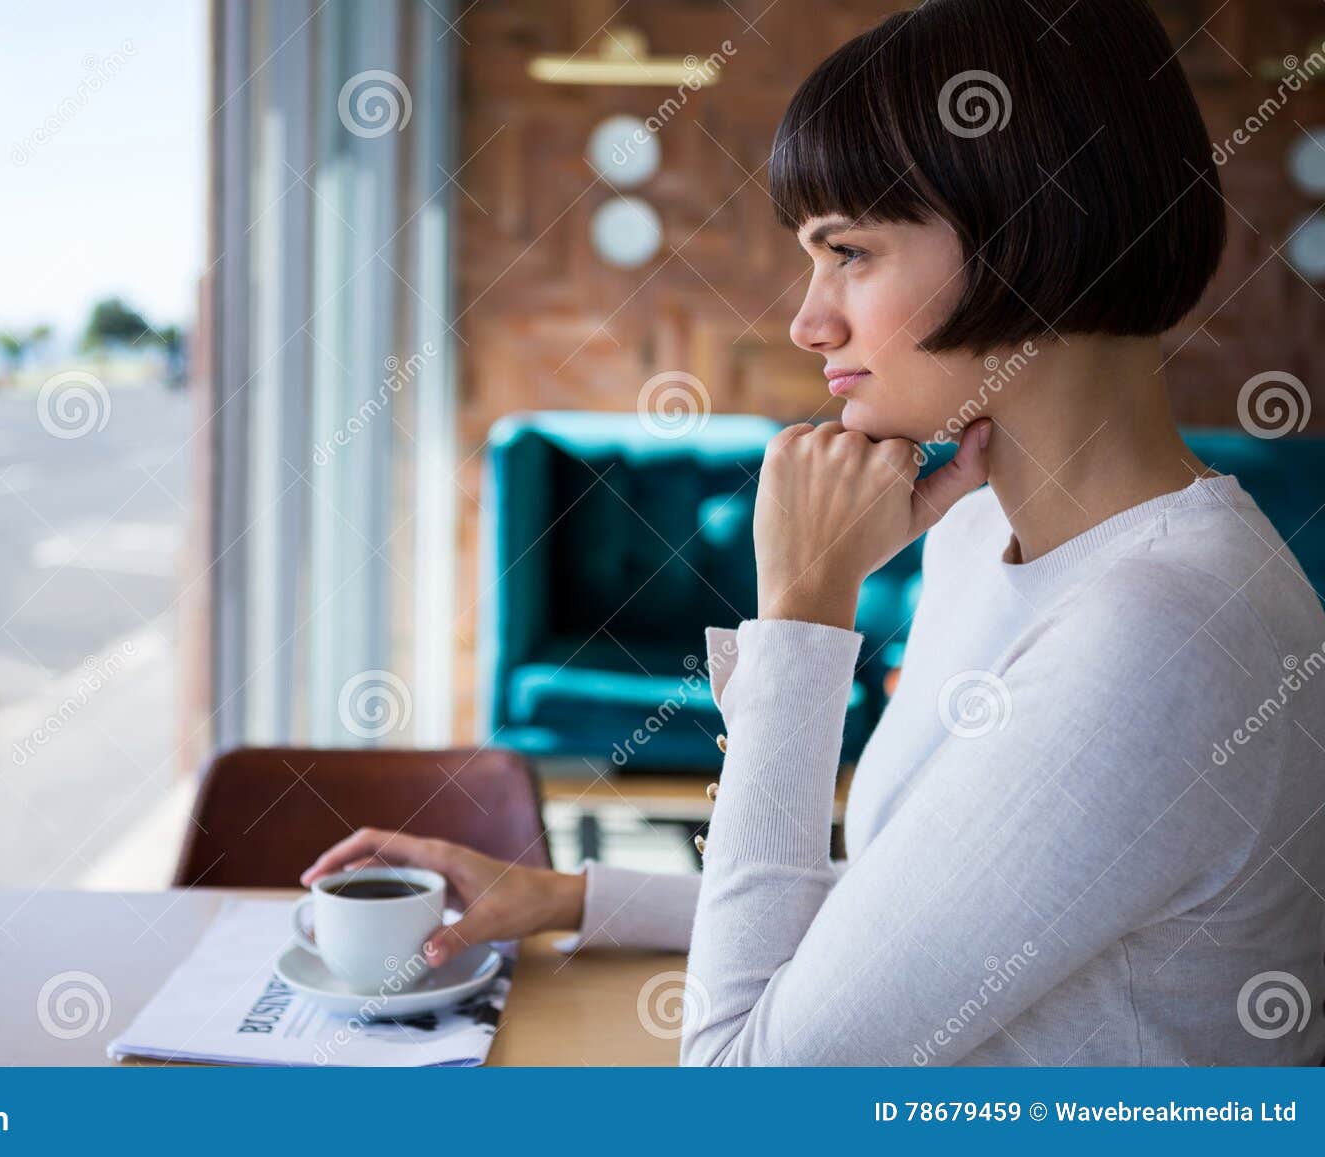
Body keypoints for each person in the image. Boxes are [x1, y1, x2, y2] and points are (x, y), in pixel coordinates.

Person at [303, 0, 1325, 1065]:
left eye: (849, 252)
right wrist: (574, 894)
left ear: (1029, 227)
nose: (807, 320)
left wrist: (799, 611)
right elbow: (905, 921)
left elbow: (746, 1091)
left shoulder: (1163, 634)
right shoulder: (978, 539)